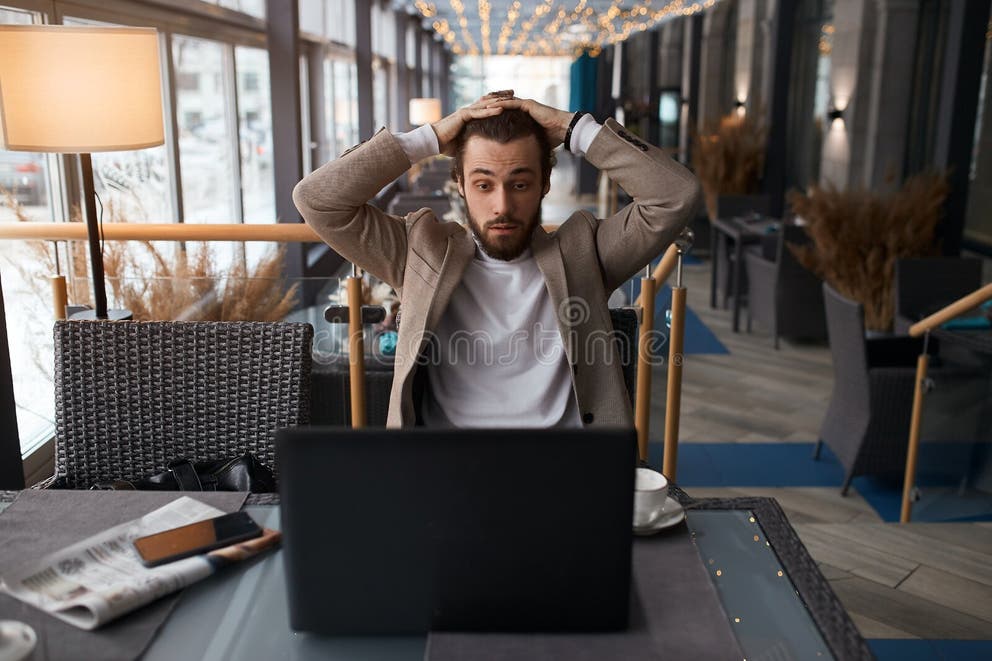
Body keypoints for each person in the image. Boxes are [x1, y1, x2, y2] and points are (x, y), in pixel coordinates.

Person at [293, 91, 701, 428]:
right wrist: (428, 139)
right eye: (483, 184)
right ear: (460, 184)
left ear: (544, 184)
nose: (501, 205)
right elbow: (317, 200)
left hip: (566, 470)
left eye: (519, 183)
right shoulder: (420, 248)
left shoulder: (585, 251)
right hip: (449, 472)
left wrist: (576, 128)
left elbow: (675, 195)